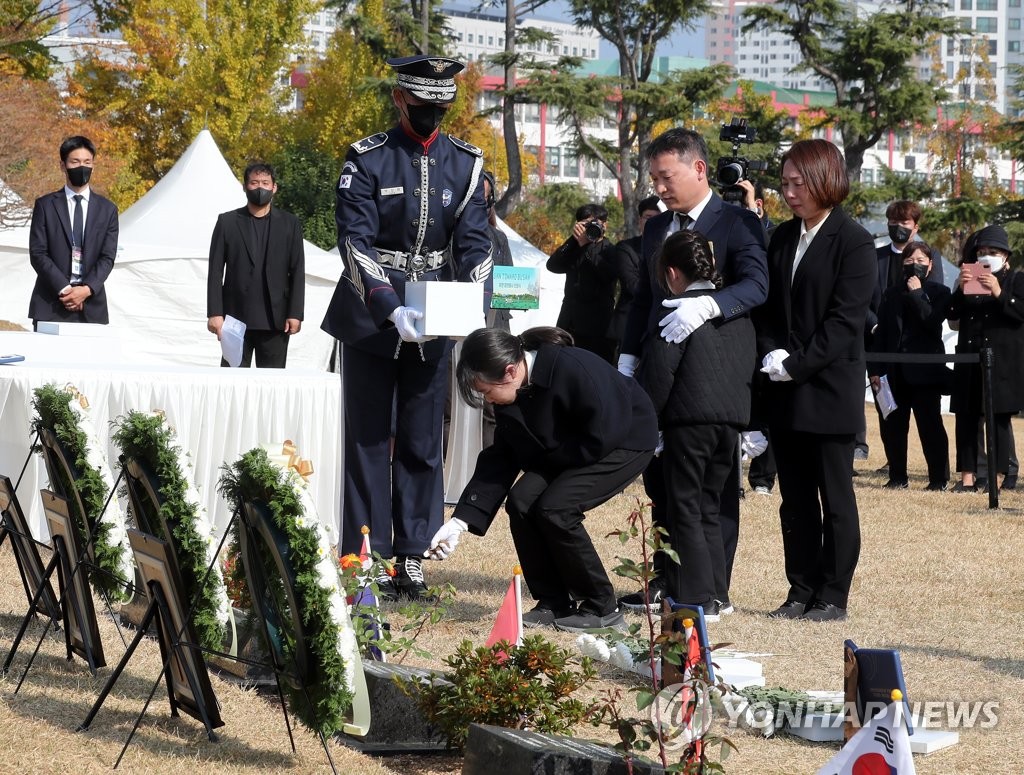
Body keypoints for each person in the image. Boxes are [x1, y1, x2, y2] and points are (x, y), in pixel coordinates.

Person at [321, 54, 492, 600]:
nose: (431, 117)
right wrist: (390, 306)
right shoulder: (367, 158)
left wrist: (472, 306)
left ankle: (412, 553)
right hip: (373, 316)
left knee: (422, 439)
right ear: (401, 100)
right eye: (422, 106)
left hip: (436, 312)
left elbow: (473, 242)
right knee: (369, 438)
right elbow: (354, 240)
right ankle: (365, 551)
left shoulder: (466, 163)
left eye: (441, 108)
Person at [617, 127, 768, 614]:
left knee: (711, 495)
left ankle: (710, 587)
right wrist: (627, 357)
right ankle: (669, 577)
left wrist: (706, 307)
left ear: (698, 168)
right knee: (665, 487)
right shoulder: (657, 228)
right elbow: (642, 299)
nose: (659, 188)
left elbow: (756, 286)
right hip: (661, 366)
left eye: (667, 177)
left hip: (712, 372)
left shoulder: (739, 222)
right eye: (655, 179)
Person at [424, 326, 658, 632]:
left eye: (486, 391)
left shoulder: (575, 368)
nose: (488, 399)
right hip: (568, 449)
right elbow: (503, 456)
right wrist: (461, 521)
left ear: (510, 371)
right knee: (521, 502)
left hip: (624, 441)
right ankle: (553, 602)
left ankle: (602, 607)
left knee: (556, 508)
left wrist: (548, 469)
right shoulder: (512, 393)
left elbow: (602, 434)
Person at [754, 139, 876, 623]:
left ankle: (832, 595)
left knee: (836, 497)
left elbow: (845, 323)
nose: (788, 193)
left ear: (825, 179)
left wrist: (797, 364)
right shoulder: (782, 238)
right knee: (795, 499)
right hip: (784, 389)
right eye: (784, 184)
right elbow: (765, 309)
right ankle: (799, 589)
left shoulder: (855, 241)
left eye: (797, 183)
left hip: (828, 388)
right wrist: (771, 355)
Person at [636, 230, 755, 617]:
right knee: (709, 506)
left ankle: (696, 598)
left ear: (671, 273)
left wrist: (646, 421)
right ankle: (718, 593)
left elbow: (659, 373)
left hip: (687, 421)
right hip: (730, 422)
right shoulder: (733, 311)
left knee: (683, 507)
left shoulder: (676, 310)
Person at [946, 224, 1024, 492]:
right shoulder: (971, 277)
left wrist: (999, 292)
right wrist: (962, 288)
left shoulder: (1016, 280)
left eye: (992, 251)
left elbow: (1019, 315)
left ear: (1005, 256)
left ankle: (1000, 474)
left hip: (1001, 360)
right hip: (969, 356)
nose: (985, 256)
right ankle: (968, 475)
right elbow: (952, 313)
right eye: (981, 251)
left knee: (998, 418)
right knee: (966, 415)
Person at [868, 240, 951, 490]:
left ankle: (938, 479)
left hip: (926, 372)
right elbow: (880, 334)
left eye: (920, 261)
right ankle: (897, 476)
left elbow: (931, 321)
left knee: (930, 425)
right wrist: (874, 370)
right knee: (893, 426)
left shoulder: (939, 292)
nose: (914, 266)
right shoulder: (891, 293)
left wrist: (917, 293)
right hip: (893, 372)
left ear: (930, 265)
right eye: (909, 261)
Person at [863, 200, 941, 464]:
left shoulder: (931, 256)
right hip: (879, 342)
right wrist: (875, 324)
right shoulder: (875, 256)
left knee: (927, 417)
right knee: (889, 414)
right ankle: (894, 465)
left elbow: (934, 301)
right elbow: (862, 299)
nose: (897, 227)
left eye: (904, 223)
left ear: (915, 226)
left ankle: (936, 471)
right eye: (893, 222)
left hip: (918, 350)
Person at [206, 162, 305, 368]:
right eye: (254, 182)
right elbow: (215, 271)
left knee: (272, 387)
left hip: (275, 321)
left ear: (274, 187)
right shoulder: (227, 222)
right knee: (232, 386)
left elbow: (297, 271)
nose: (260, 187)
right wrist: (215, 313)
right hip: (234, 322)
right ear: (245, 186)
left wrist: (295, 313)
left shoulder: (290, 224)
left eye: (265, 183)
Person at [28, 135, 119, 328]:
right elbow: (38, 253)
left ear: (93, 165)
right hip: (51, 303)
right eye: (75, 161)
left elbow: (107, 257)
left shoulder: (108, 209)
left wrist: (86, 290)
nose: (82, 167)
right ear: (63, 165)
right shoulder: (45, 205)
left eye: (87, 162)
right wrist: (65, 289)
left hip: (91, 305)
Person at [546, 203, 623, 363]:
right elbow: (553, 266)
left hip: (597, 327)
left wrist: (587, 247)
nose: (590, 228)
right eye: (585, 224)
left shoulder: (611, 249)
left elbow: (608, 275)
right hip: (568, 322)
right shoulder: (575, 247)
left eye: (594, 223)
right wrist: (574, 240)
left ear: (605, 225)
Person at [612, 196, 660, 359]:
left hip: (658, 326)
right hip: (628, 326)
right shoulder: (626, 248)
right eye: (648, 217)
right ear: (640, 220)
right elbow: (632, 285)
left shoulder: (670, 248)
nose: (652, 222)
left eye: (658, 218)